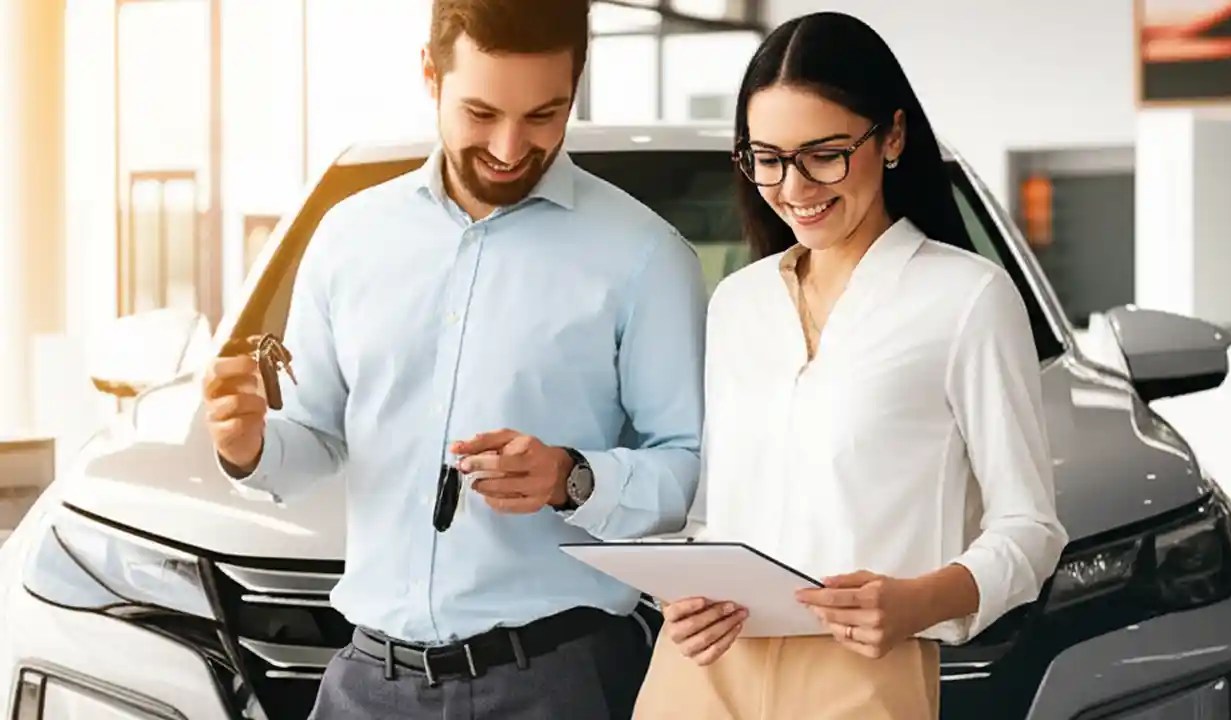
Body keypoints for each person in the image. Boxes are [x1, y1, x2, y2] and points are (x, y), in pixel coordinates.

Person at [201, 1, 708, 718]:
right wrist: (247, 445)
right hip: (365, 684)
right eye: (481, 112)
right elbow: (314, 439)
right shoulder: (349, 239)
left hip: (557, 684)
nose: (510, 146)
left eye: (544, 115)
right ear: (430, 75)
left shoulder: (645, 257)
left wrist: (574, 477)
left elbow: (686, 468)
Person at [633, 11, 1069, 720]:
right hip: (701, 670)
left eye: (824, 153)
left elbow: (1030, 527)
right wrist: (679, 594)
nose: (793, 186)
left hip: (862, 675)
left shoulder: (969, 299)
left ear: (891, 135)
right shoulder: (738, 304)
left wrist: (917, 602)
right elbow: (716, 515)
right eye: (767, 157)